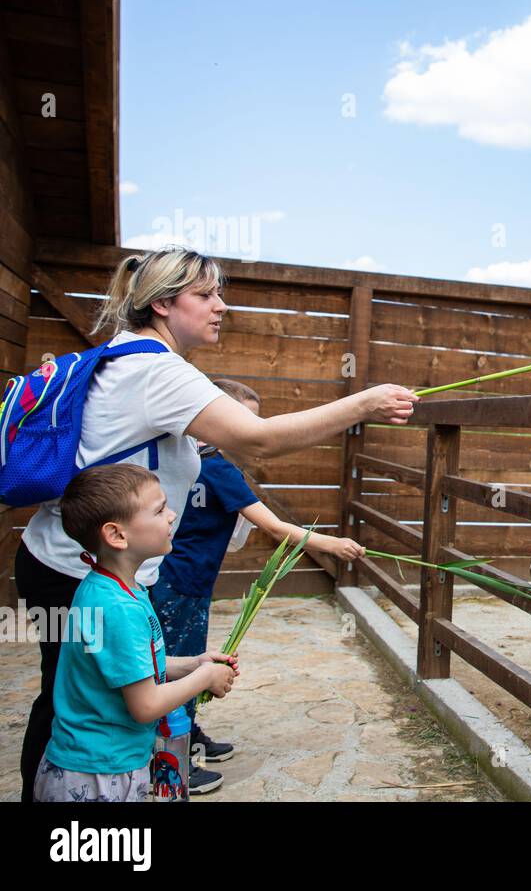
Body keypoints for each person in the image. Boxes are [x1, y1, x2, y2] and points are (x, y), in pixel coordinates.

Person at [16, 247, 415, 802]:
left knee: (74, 695)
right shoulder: (155, 370)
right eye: (205, 295)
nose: (220, 307)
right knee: (73, 708)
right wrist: (363, 403)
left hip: (76, 557)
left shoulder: (129, 359)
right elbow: (260, 439)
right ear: (161, 305)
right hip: (80, 564)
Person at [151, 376, 366, 794]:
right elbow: (272, 524)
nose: (250, 432)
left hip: (171, 579)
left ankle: (187, 735)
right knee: (181, 664)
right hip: (184, 584)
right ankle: (169, 760)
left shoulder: (190, 460)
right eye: (242, 421)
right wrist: (331, 543)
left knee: (177, 659)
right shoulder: (220, 470)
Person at [32, 464, 238, 802]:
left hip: (91, 763)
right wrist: (204, 678)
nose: (172, 516)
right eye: (159, 509)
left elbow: (132, 664)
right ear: (116, 535)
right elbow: (145, 705)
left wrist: (194, 663)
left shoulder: (111, 588)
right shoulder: (119, 609)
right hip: (99, 775)